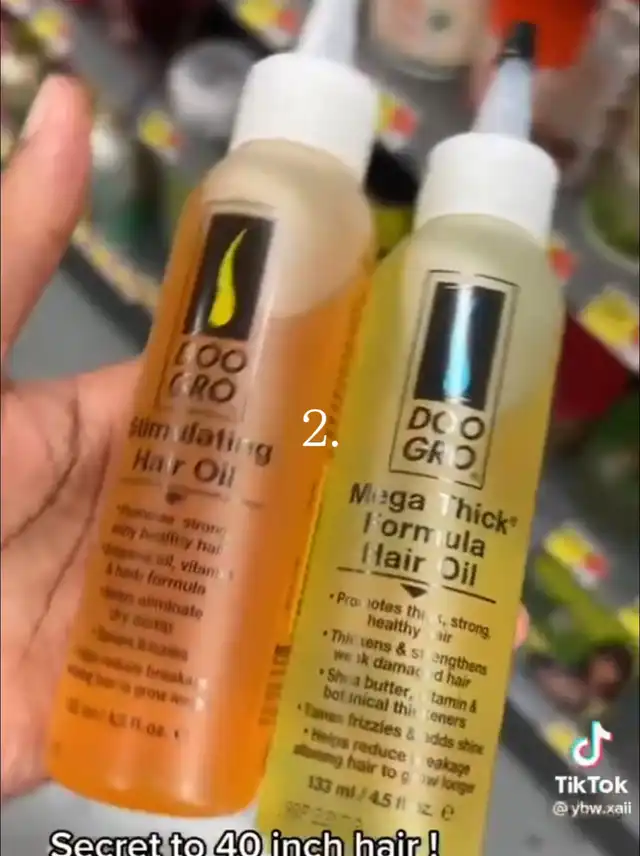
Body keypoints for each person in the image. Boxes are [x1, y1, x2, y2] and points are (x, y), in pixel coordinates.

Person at [0, 76, 529, 806]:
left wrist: (312, 437)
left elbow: (313, 431)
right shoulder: (243, 190)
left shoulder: (334, 215)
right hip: (138, 555)